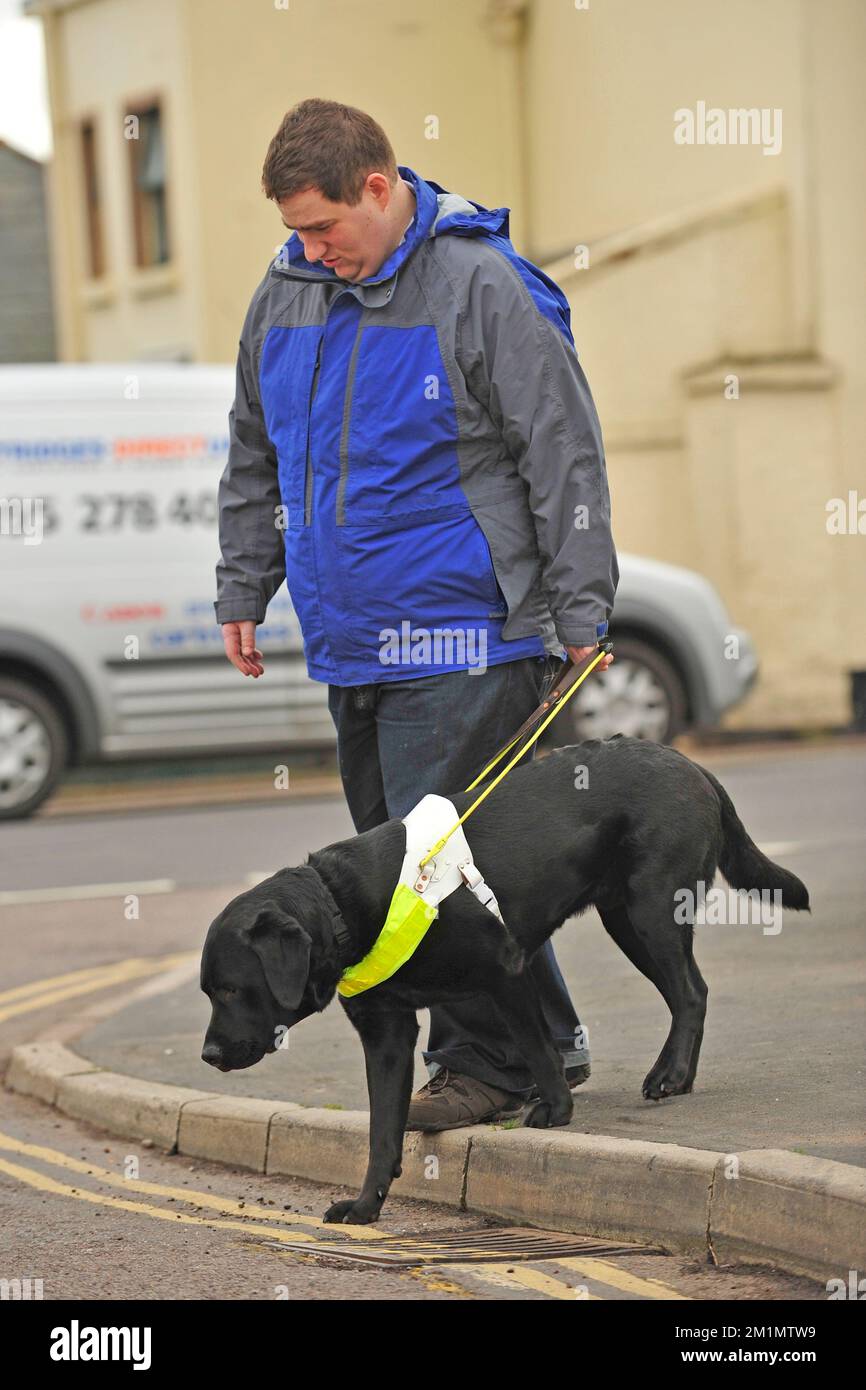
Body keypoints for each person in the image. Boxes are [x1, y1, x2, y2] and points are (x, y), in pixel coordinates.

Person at [214, 97, 618, 1131]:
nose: (310, 247)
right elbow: (254, 447)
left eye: (324, 226)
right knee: (408, 863)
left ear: (380, 189)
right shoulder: (286, 289)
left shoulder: (479, 285)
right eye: (297, 230)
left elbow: (559, 447)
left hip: (467, 633)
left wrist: (580, 607)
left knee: (431, 869)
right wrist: (242, 584)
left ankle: (487, 1061)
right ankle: (547, 1043)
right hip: (352, 639)